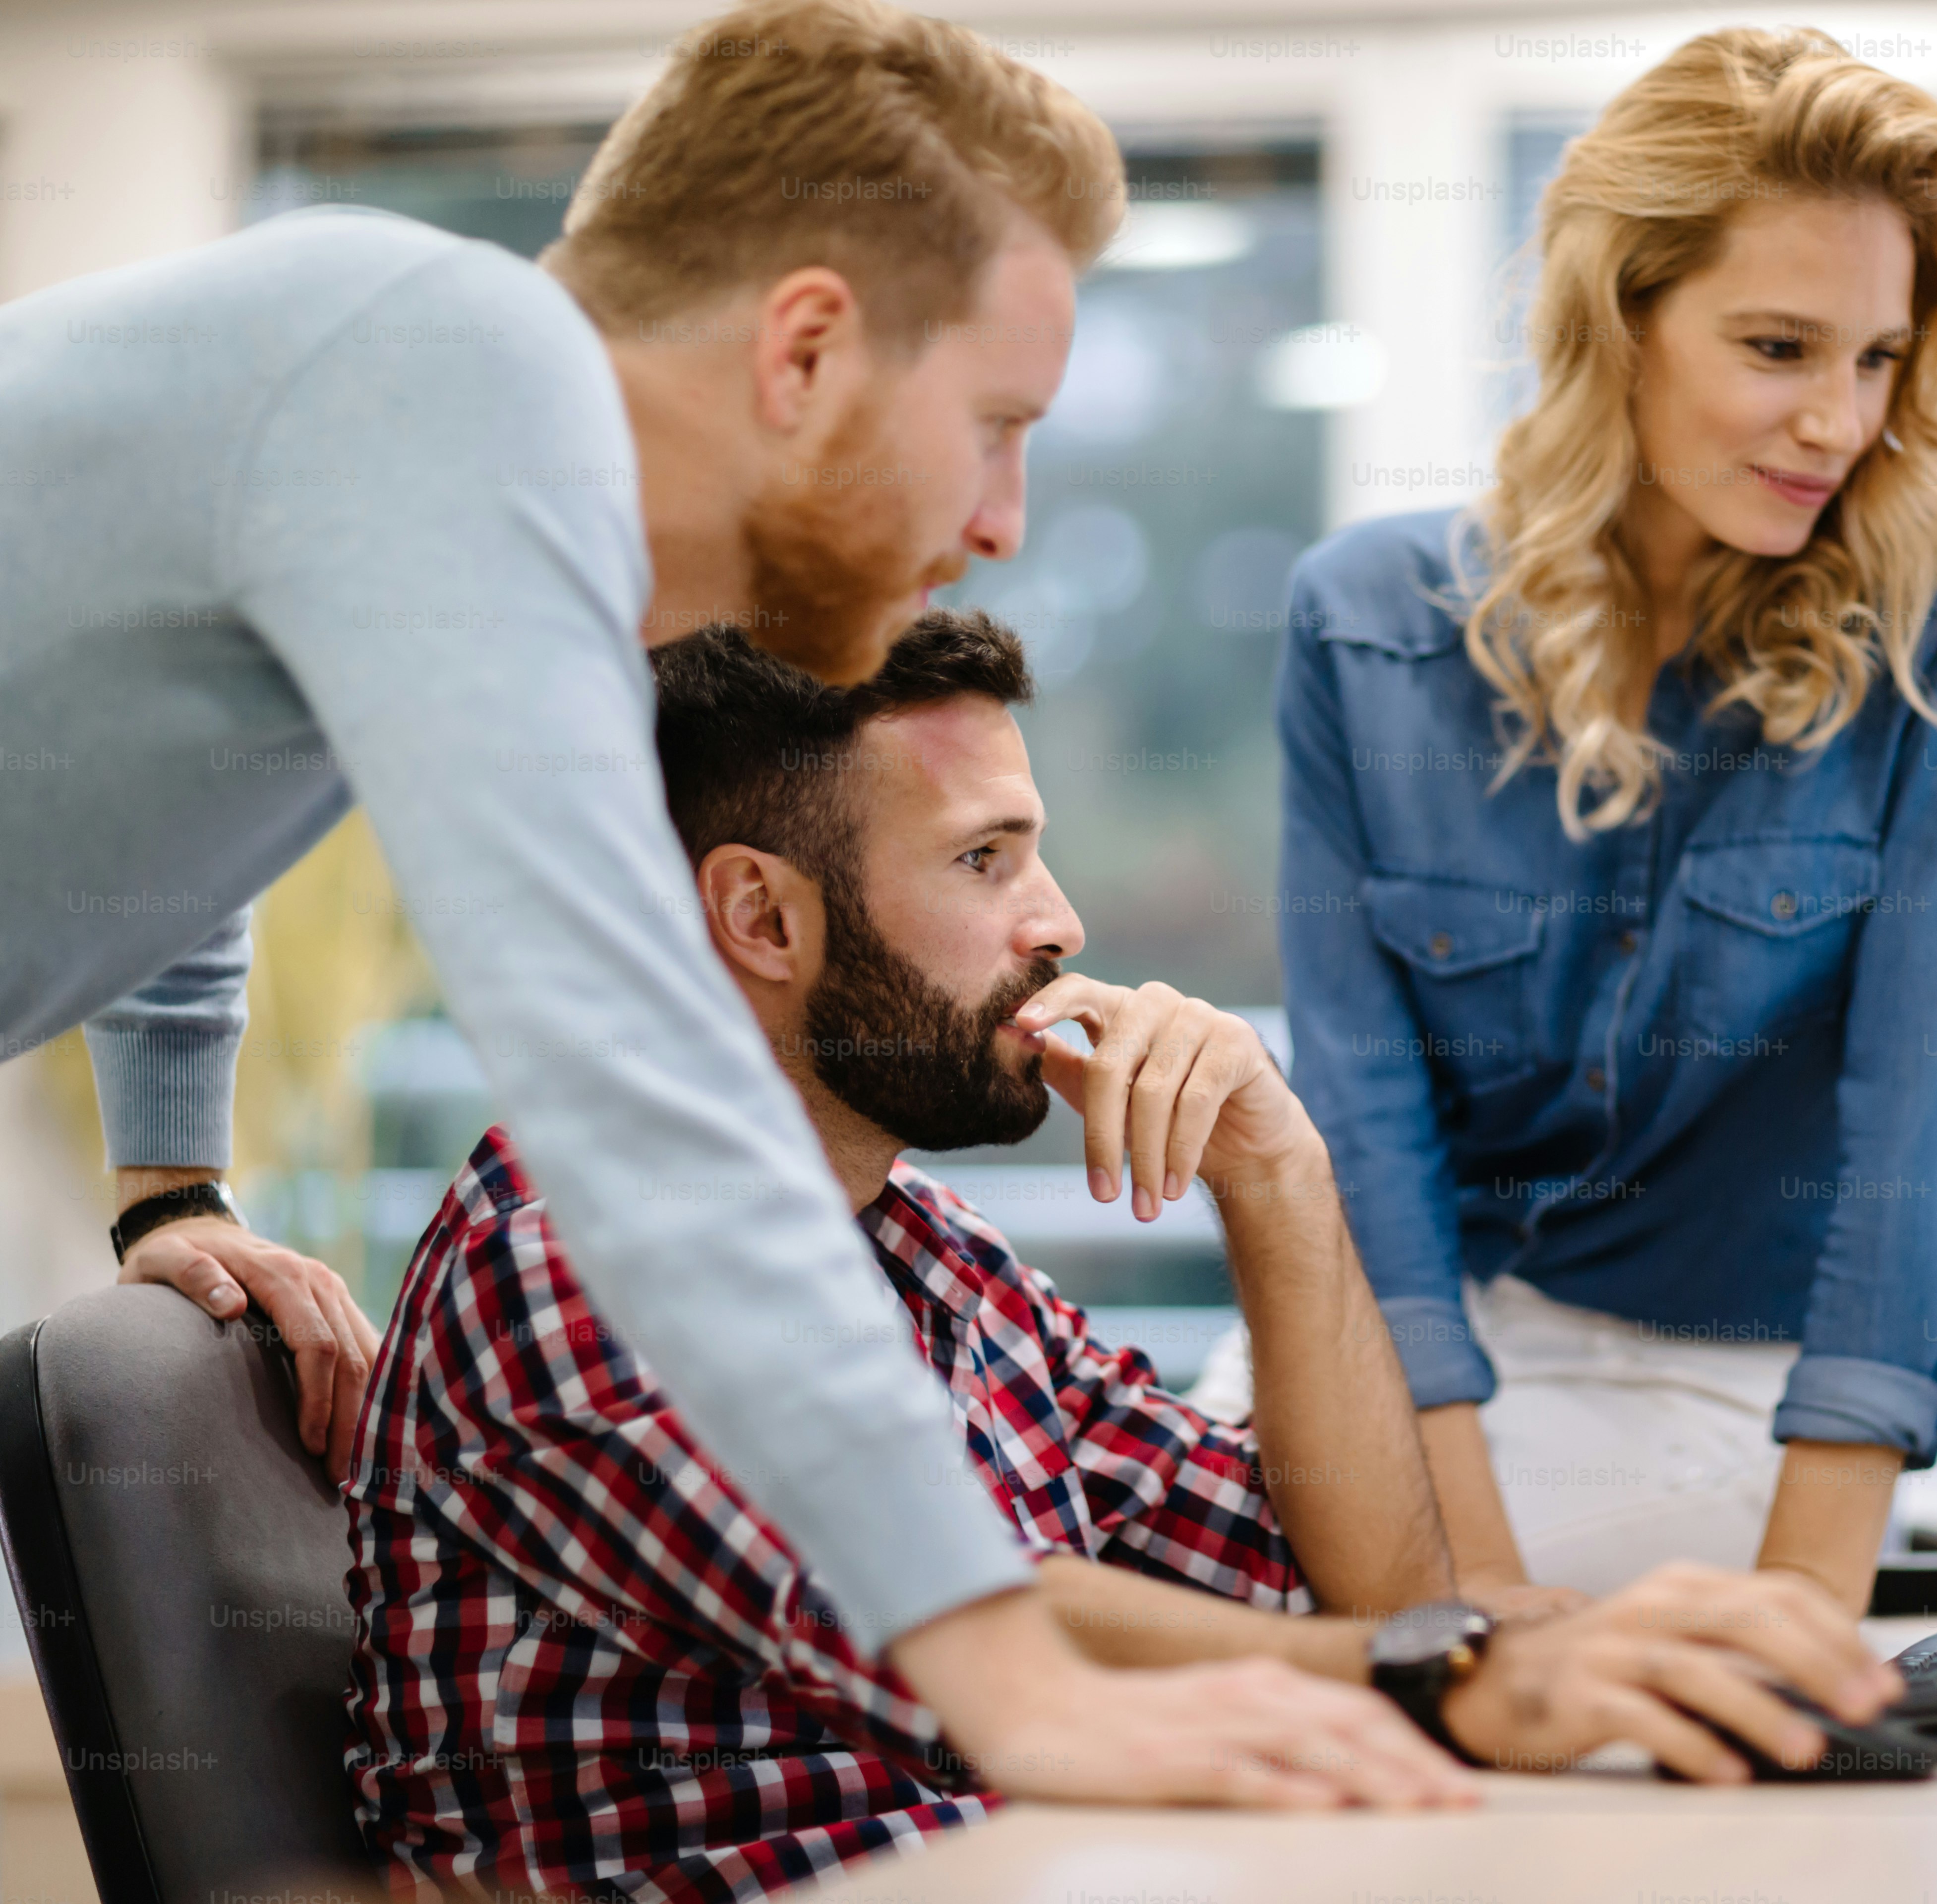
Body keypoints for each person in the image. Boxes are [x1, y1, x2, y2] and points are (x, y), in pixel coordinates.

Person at [0, 0, 1444, 1804]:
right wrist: (1009, 1674)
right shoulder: (451, 380)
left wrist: (169, 1175)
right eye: (997, 424)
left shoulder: (396, 436)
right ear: (810, 352)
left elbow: (189, 787)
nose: (1002, 516)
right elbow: (632, 1083)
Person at [344, 616, 1900, 1898]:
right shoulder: (562, 1259)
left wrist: (1277, 1180)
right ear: (761, 914)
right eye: (984, 862)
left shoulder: (932, 1258)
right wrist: (1447, 1677)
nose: (1059, 921)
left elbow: (1352, 1592)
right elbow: (958, 1613)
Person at [1275, 27, 1937, 1614]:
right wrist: (1470, 1594)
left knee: (1285, 1637)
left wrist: (1812, 1605)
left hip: (1735, 1388)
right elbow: (1364, 1117)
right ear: (1619, 321)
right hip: (1432, 1361)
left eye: (1880, 357)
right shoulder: (1364, 624)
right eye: (1779, 349)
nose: (1842, 422)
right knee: (1160, 1573)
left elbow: (1929, 1094)